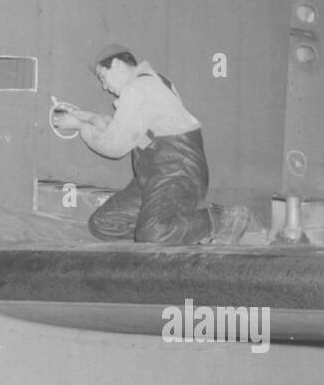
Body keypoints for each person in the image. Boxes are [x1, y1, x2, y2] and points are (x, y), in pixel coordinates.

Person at [52, 46, 215, 244]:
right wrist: (92, 119)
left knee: (152, 234)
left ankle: (222, 221)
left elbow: (114, 147)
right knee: (104, 223)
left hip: (176, 171)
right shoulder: (152, 82)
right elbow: (138, 134)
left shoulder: (137, 89)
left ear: (118, 65)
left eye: (103, 77)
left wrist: (80, 126)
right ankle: (181, 234)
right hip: (157, 172)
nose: (104, 87)